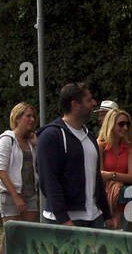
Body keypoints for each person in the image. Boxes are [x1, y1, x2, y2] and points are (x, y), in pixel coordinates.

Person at [36, 83, 110, 228]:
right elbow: (49, 181)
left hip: (95, 218)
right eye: (89, 100)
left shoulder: (90, 138)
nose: (94, 103)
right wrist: (64, 220)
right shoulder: (52, 136)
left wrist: (107, 214)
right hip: (65, 221)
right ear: (75, 105)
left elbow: (97, 179)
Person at [0, 102, 40, 226]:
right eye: (28, 116)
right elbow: (1, 171)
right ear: (17, 118)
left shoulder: (31, 141)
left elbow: (38, 164)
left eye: (33, 117)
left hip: (30, 194)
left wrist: (36, 145)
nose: (32, 120)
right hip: (10, 196)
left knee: (29, 235)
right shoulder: (7, 139)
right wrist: (16, 197)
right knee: (12, 236)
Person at [97, 107, 132, 229]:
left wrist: (111, 175)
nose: (125, 128)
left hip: (122, 202)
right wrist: (117, 177)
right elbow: (98, 175)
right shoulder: (101, 145)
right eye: (121, 124)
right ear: (111, 125)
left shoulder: (129, 148)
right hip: (103, 202)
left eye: (127, 124)